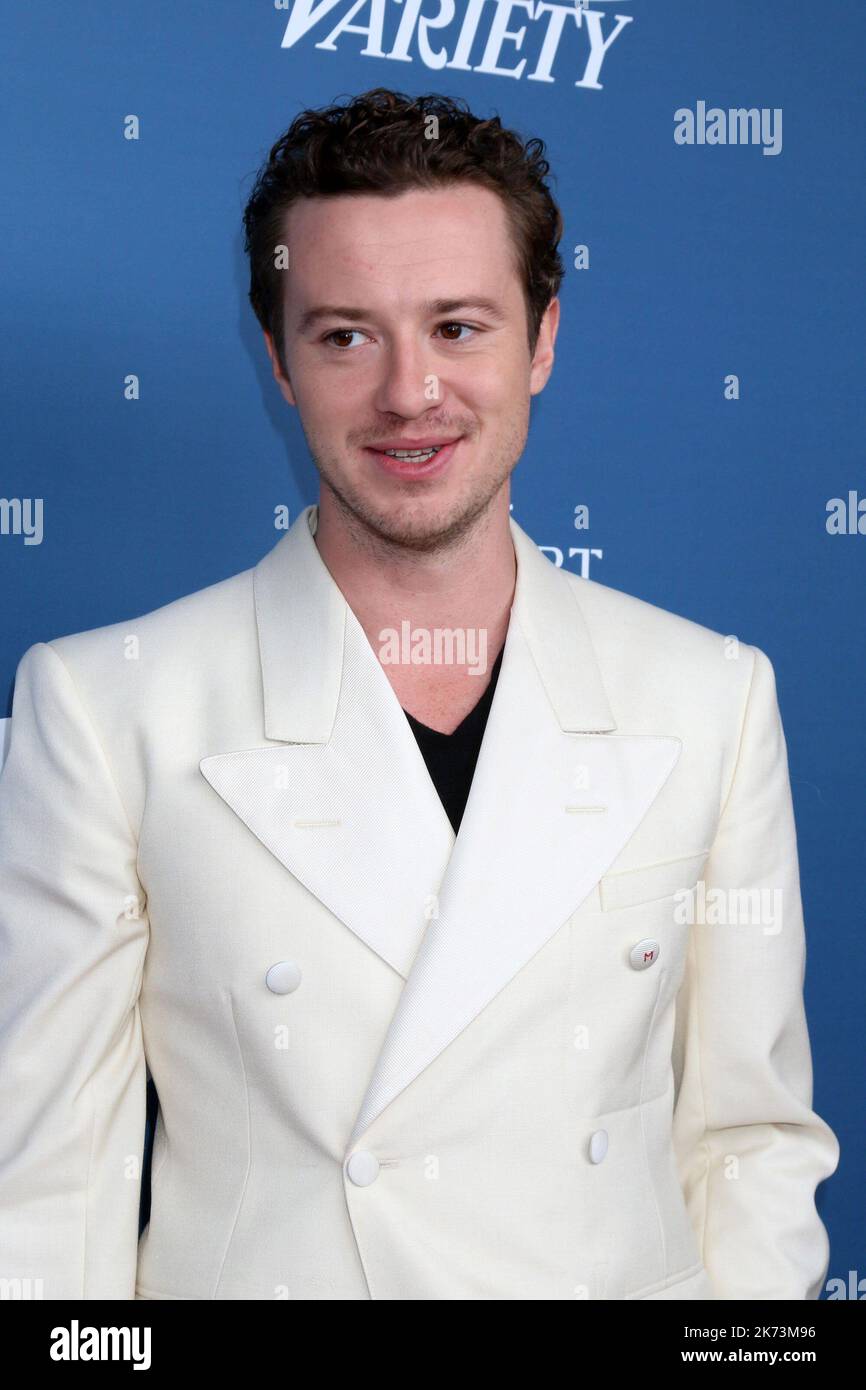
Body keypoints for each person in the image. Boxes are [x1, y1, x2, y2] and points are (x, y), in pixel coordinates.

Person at [0, 87, 838, 1301]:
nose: (409, 393)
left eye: (457, 327)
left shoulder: (709, 697)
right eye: (345, 334)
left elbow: (748, 1145)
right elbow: (47, 1195)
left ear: (541, 338)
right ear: (278, 358)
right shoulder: (103, 709)